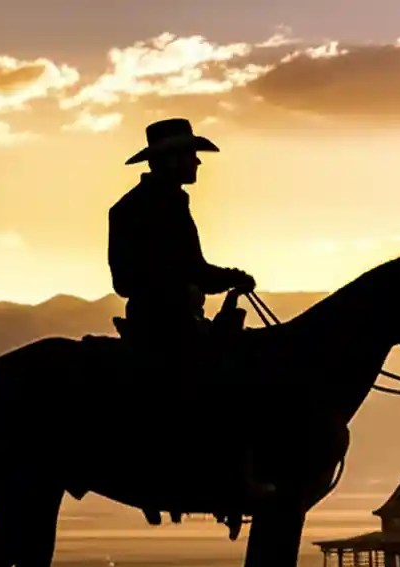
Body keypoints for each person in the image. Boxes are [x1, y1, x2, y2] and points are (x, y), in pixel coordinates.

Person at [107, 118, 274, 530]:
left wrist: (221, 277)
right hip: (165, 322)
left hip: (168, 316)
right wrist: (219, 278)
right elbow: (171, 271)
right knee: (228, 380)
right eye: (190, 155)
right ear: (169, 160)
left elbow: (183, 270)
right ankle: (231, 478)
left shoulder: (148, 206)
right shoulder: (148, 208)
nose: (197, 162)